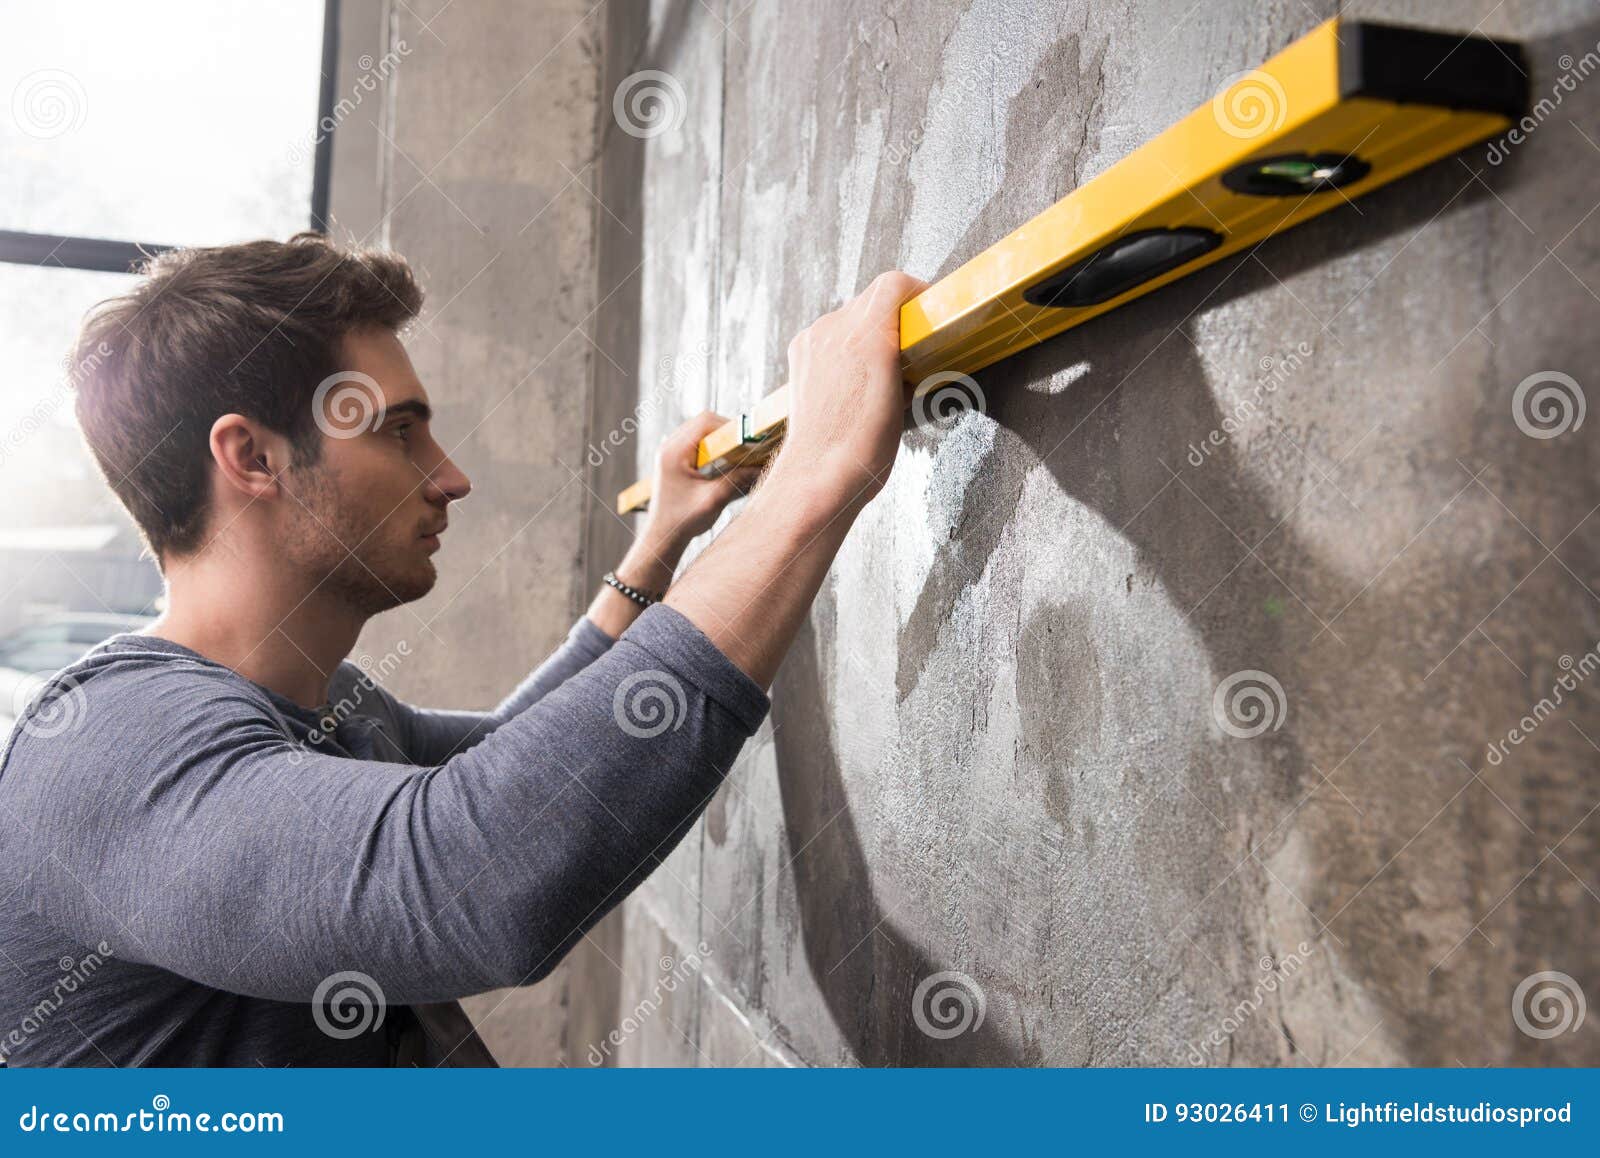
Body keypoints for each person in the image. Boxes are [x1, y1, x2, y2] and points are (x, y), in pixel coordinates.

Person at [0, 232, 925, 1066]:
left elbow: (513, 753)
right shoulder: (97, 755)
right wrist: (816, 475)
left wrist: (660, 545)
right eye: (400, 432)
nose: (451, 476)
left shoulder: (323, 704)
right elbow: (466, 879)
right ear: (252, 457)